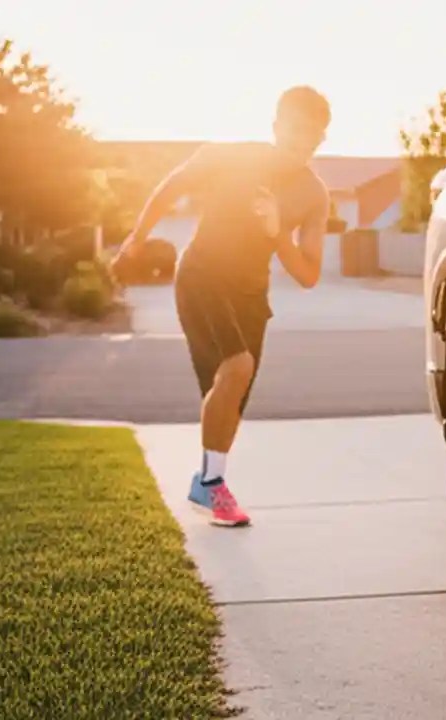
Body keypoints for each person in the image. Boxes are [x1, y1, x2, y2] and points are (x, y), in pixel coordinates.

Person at [113, 86, 331, 526]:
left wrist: (277, 234)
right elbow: (171, 186)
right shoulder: (232, 157)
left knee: (231, 402)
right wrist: (137, 238)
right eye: (293, 130)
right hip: (201, 275)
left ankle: (211, 482)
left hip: (251, 295)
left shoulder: (314, 194)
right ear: (275, 126)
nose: (299, 142)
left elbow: (309, 274)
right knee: (238, 366)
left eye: (310, 135)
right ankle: (210, 486)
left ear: (319, 140)